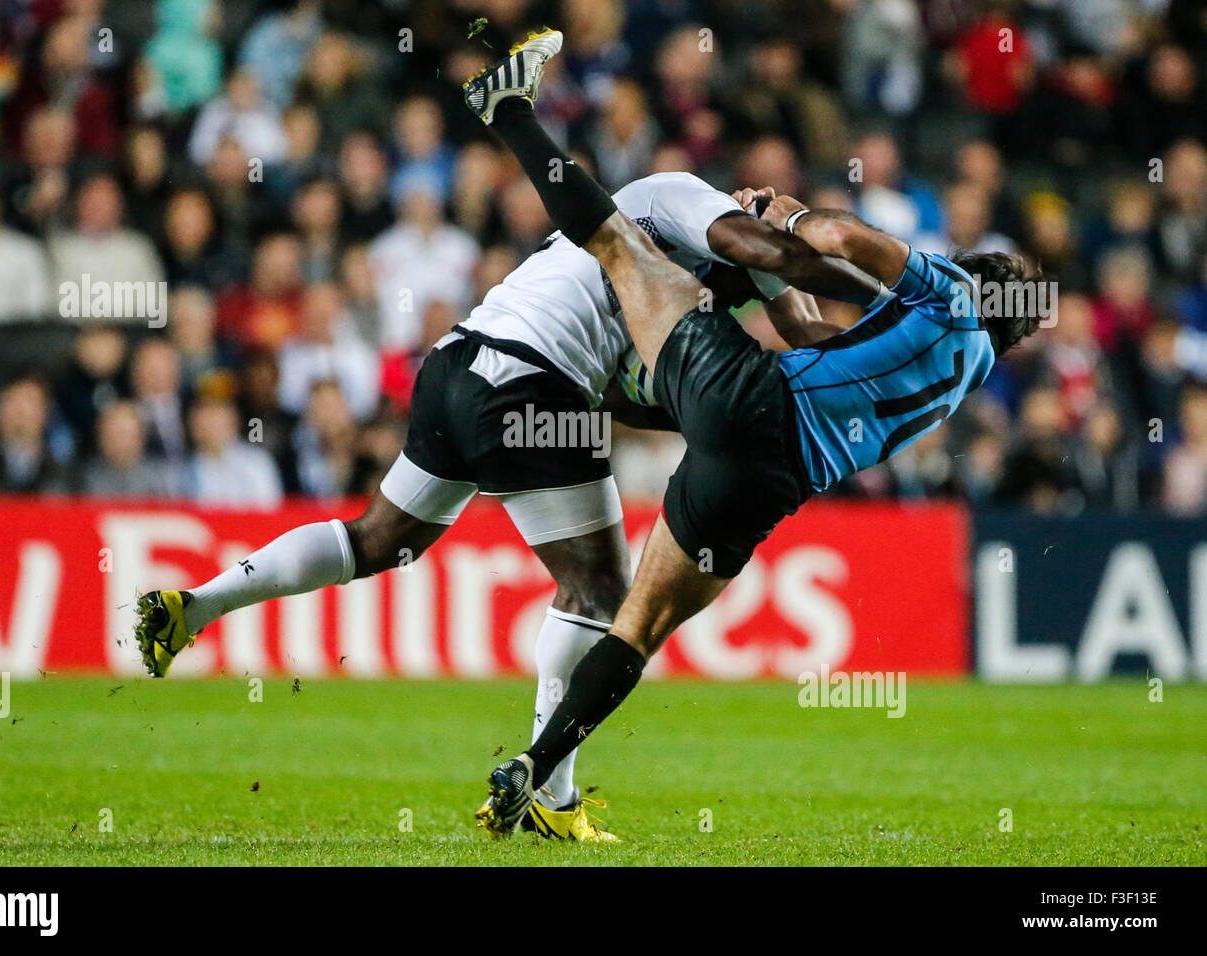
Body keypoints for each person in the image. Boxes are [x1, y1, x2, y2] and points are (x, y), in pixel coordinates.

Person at [133, 35, 882, 842]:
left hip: (457, 367)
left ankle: (196, 606)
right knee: (598, 592)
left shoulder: (685, 316)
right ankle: (552, 798)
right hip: (527, 379)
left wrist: (835, 333)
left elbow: (806, 347)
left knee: (377, 538)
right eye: (767, 199)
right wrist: (896, 281)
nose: (770, 197)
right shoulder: (682, 194)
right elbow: (771, 255)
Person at [462, 30, 1045, 836]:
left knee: (624, 250)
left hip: (750, 402)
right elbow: (815, 342)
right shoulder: (970, 374)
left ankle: (510, 114)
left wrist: (788, 218)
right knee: (638, 626)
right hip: (774, 484)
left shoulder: (952, 293)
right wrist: (775, 274)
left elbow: (838, 241)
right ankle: (536, 770)